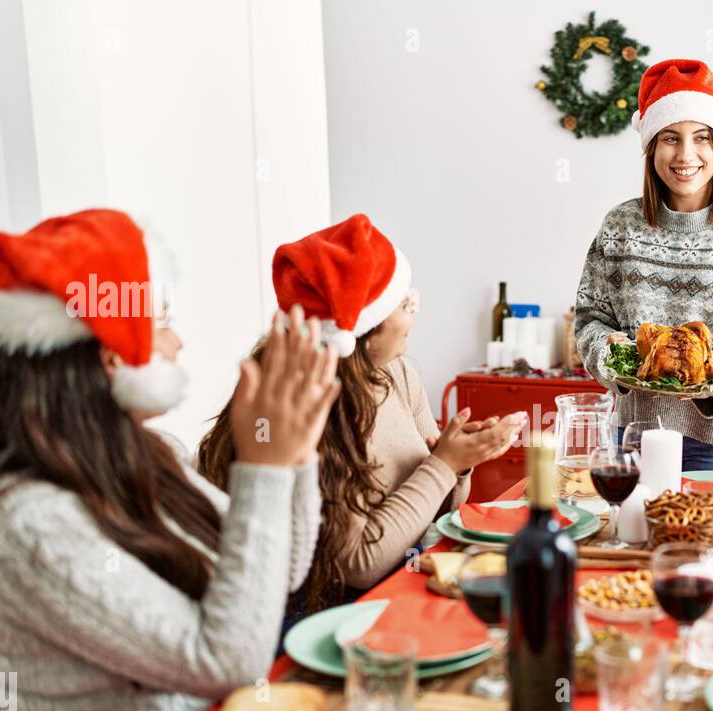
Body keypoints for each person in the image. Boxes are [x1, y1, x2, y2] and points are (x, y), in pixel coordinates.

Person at [0, 209, 339, 711]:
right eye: (163, 323)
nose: (176, 346)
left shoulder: (144, 455)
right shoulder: (20, 525)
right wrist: (264, 468)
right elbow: (229, 660)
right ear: (112, 356)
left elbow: (273, 578)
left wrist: (296, 454)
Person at [198, 214, 523, 622]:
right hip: (328, 614)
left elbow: (437, 517)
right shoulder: (312, 408)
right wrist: (443, 463)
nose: (415, 309)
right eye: (403, 303)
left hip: (401, 580)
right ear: (364, 331)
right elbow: (358, 564)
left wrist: (460, 463)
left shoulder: (397, 371)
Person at [574, 59, 713, 471]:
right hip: (632, 433)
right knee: (631, 533)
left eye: (702, 138)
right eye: (670, 137)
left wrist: (712, 388)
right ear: (652, 146)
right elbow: (590, 319)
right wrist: (609, 354)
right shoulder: (620, 225)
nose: (685, 155)